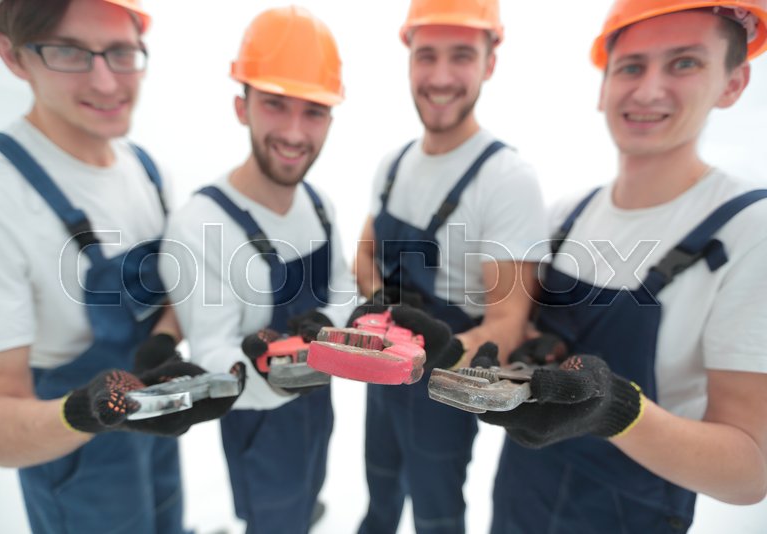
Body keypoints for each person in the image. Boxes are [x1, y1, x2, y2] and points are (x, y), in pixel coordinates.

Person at [474, 1, 767, 532]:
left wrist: (615, 411)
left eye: (684, 63)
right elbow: (517, 331)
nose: (649, 90)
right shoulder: (565, 215)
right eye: (631, 66)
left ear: (733, 82)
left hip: (629, 516)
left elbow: (750, 472)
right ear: (604, 85)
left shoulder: (750, 232)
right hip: (520, 497)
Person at [0, 1, 240, 533]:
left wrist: (162, 344)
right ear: (11, 54)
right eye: (68, 52)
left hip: (152, 421)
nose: (106, 80)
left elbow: (169, 293)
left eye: (120, 52)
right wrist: (86, 412)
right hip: (73, 456)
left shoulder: (144, 168)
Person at [351, 0, 548, 532]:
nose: (440, 76)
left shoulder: (506, 181)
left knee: (437, 515)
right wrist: (381, 313)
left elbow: (507, 324)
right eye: (426, 55)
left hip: (444, 387)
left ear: (489, 62)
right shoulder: (392, 166)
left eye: (461, 55)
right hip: (381, 372)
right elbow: (363, 255)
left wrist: (423, 352)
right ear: (408, 58)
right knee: (379, 486)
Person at [158, 6, 356, 533]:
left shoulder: (318, 204)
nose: (295, 132)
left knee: (307, 492)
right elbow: (213, 353)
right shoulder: (201, 224)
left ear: (331, 119)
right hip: (258, 427)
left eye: (313, 110)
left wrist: (333, 329)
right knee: (271, 517)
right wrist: (282, 371)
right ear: (241, 106)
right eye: (275, 104)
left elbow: (341, 285)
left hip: (318, 409)